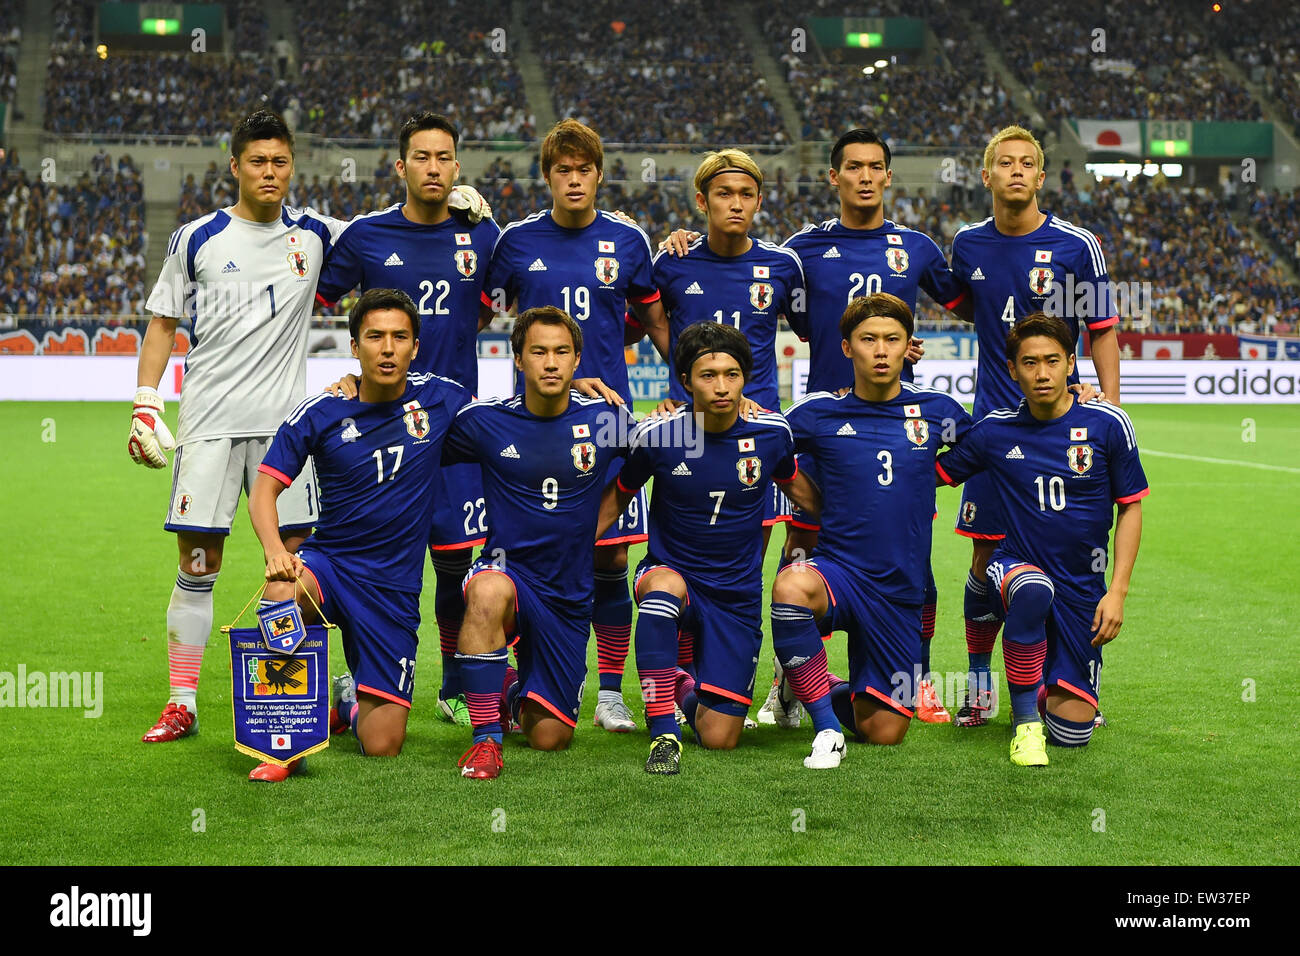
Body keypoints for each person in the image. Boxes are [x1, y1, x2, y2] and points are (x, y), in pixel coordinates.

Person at [134, 109, 343, 744]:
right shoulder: (197, 238)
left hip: (288, 433)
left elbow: (392, 232)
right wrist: (146, 403)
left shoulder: (315, 234)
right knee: (200, 562)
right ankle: (182, 701)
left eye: (280, 161)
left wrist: (458, 212)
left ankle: (323, 692)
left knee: (303, 566)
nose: (270, 172)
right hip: (208, 427)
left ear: (292, 165)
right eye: (258, 161)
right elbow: (164, 322)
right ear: (235, 167)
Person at [480, 119, 670, 732]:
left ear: (598, 175)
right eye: (562, 170)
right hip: (529, 439)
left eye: (583, 169)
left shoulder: (628, 240)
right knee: (518, 563)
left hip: (607, 430)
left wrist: (698, 388)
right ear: (547, 177)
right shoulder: (513, 242)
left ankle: (610, 693)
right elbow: (470, 307)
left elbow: (656, 323)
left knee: (610, 561)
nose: (573, 179)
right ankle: (514, 686)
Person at [315, 112, 498, 729]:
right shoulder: (367, 235)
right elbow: (310, 302)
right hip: (375, 432)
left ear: (456, 166)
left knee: (454, 561)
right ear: (401, 166)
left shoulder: (482, 236)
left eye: (444, 157)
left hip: (451, 431)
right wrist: (342, 383)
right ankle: (355, 678)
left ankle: (451, 682)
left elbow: (513, 299)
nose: (433, 168)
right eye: (421, 157)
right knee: (363, 563)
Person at [247, 289, 468, 780]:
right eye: (374, 337)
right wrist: (275, 551)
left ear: (415, 346)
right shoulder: (321, 411)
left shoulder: (443, 399)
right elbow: (263, 491)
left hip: (392, 592)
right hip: (330, 567)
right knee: (282, 591)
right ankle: (284, 742)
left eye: (398, 337)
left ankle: (349, 705)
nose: (387, 348)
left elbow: (515, 417)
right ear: (354, 346)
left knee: (382, 744)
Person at [948, 125, 1121, 727]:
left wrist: (1109, 414)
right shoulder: (967, 246)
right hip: (996, 435)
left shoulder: (1077, 246)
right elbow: (965, 306)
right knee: (984, 562)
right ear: (987, 174)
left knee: (1071, 561)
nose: (1016, 171)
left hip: (1063, 434)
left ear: (1041, 177)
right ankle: (977, 682)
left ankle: (1069, 678)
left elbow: (1101, 330)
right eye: (1004, 162)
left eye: (1028, 164)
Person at [597, 322, 818, 774]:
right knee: (660, 595)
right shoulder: (658, 435)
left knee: (720, 738)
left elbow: (803, 493)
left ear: (747, 377)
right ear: (685, 381)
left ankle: (681, 687)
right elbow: (617, 496)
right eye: (708, 375)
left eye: (732, 374)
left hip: (735, 595)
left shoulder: (772, 434)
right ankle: (663, 734)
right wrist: (571, 548)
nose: (721, 386)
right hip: (670, 572)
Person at [935, 313, 1146, 765]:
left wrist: (1118, 593)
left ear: (1072, 363)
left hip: (1082, 590)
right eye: (1029, 363)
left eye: (1052, 361)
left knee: (1072, 734)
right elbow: (932, 471)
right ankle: (1024, 724)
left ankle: (1047, 678)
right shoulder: (995, 429)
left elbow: (1131, 506)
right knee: (1032, 590)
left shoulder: (1109, 424)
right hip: (1014, 568)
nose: (1042, 373)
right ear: (1012, 369)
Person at [773, 293, 972, 769]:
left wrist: (931, 477)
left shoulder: (939, 410)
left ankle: (804, 682)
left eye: (891, 339)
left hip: (898, 591)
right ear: (847, 349)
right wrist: (809, 499)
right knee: (791, 586)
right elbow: (766, 448)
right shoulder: (816, 412)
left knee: (883, 731)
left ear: (909, 347)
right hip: (839, 573)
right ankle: (825, 728)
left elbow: (992, 444)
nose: (880, 351)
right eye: (868, 340)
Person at [448, 307, 638, 779]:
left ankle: (510, 688)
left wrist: (594, 525)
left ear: (577, 361)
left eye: (561, 352)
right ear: (518, 359)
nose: (550, 363)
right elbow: (416, 438)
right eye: (538, 352)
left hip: (568, 594)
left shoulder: (607, 420)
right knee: (488, 590)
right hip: (507, 572)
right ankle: (485, 739)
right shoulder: (484, 421)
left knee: (550, 738)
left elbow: (661, 453)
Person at [646, 149, 806, 549]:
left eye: (746, 194)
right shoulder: (671, 262)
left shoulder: (783, 266)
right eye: (723, 193)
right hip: (688, 431)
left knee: (749, 560)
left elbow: (817, 332)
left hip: (759, 428)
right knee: (682, 553)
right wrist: (681, 388)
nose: (736, 203)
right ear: (702, 201)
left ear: (759, 200)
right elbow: (647, 322)